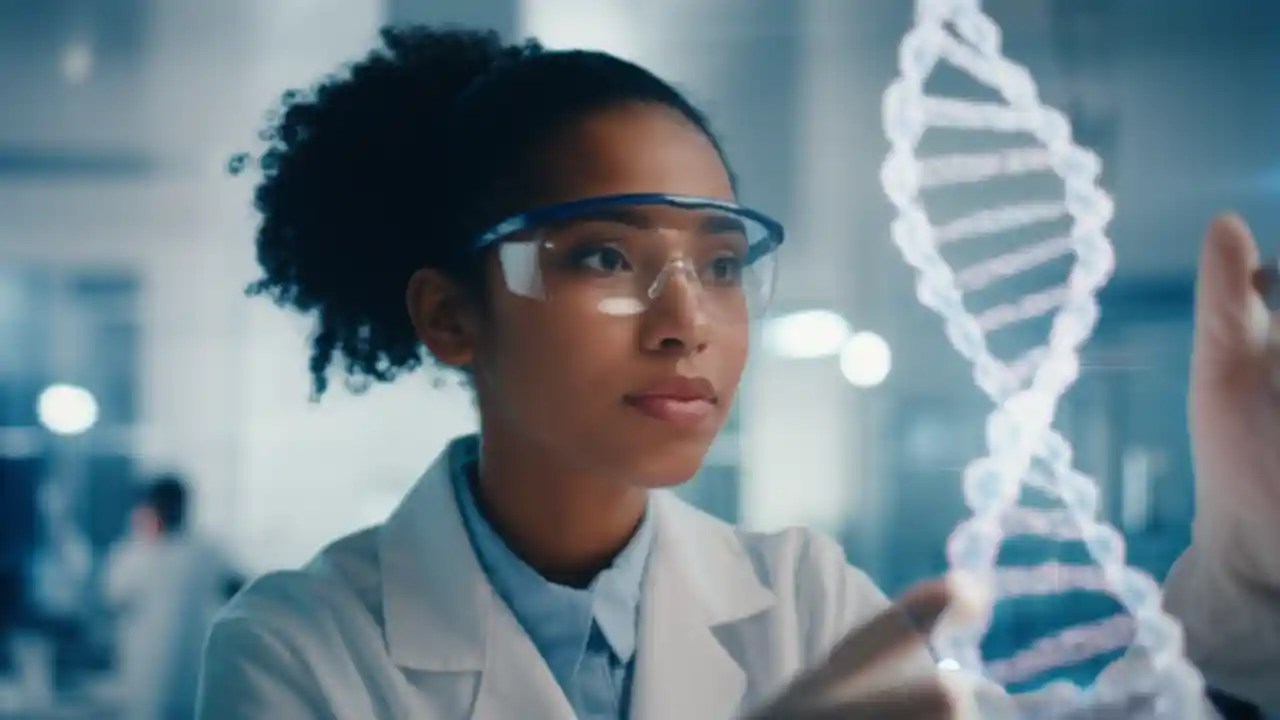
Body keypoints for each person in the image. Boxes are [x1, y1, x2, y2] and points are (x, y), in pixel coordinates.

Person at [196, 26, 1280, 719]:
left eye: (718, 265)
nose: (687, 324)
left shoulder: (799, 597)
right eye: (607, 257)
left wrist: (1245, 566)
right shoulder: (299, 651)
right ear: (448, 316)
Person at [106, 474, 241, 720]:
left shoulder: (206, 552)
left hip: (189, 673)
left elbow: (242, 591)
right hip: (144, 676)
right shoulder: (133, 553)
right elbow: (112, 603)